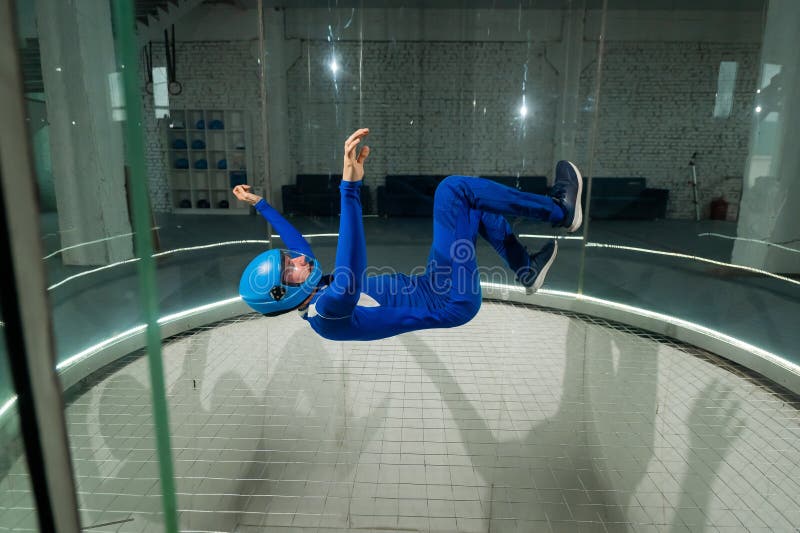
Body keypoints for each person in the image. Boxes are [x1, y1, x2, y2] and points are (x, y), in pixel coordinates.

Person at [234, 128, 582, 341]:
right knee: (454, 191)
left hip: (432, 284)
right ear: (284, 293)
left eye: (287, 257)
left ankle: (526, 268)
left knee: (474, 204)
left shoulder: (308, 295)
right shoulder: (327, 313)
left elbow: (298, 246)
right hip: (451, 301)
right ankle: (559, 210)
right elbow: (351, 270)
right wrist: (351, 188)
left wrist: (262, 204)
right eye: (289, 267)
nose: (296, 258)